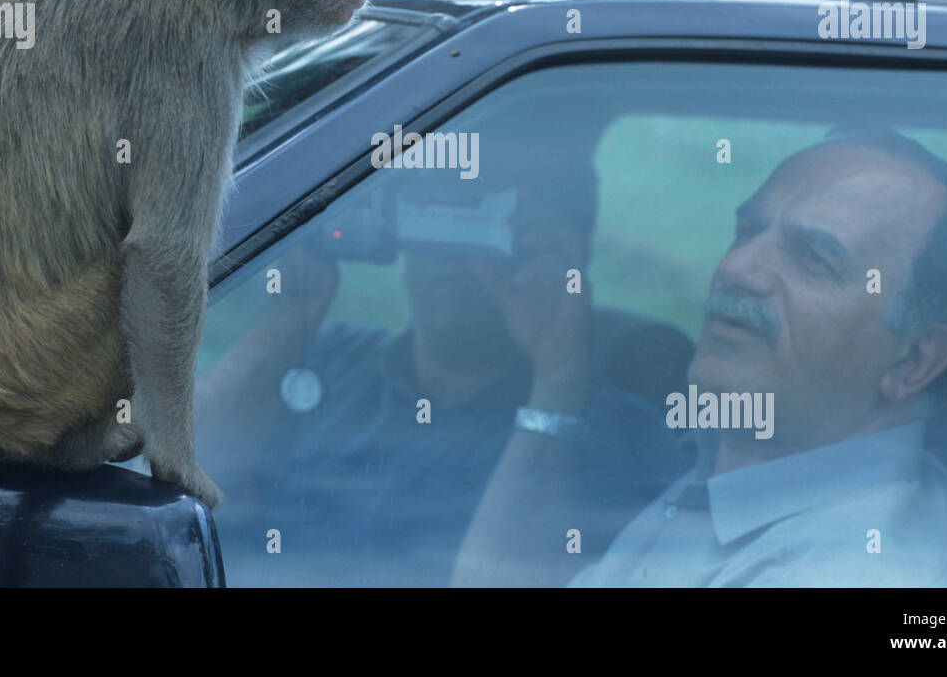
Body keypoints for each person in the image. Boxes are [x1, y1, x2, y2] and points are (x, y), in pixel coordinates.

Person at [193, 157, 694, 587]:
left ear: (567, 251)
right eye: (435, 211)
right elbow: (185, 491)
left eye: (488, 222)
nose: (453, 256)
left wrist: (559, 376)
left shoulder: (614, 427)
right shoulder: (321, 364)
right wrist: (290, 311)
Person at [566, 127, 947, 587]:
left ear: (913, 360)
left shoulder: (861, 574)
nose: (734, 268)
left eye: (815, 258)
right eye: (748, 231)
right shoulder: (752, 466)